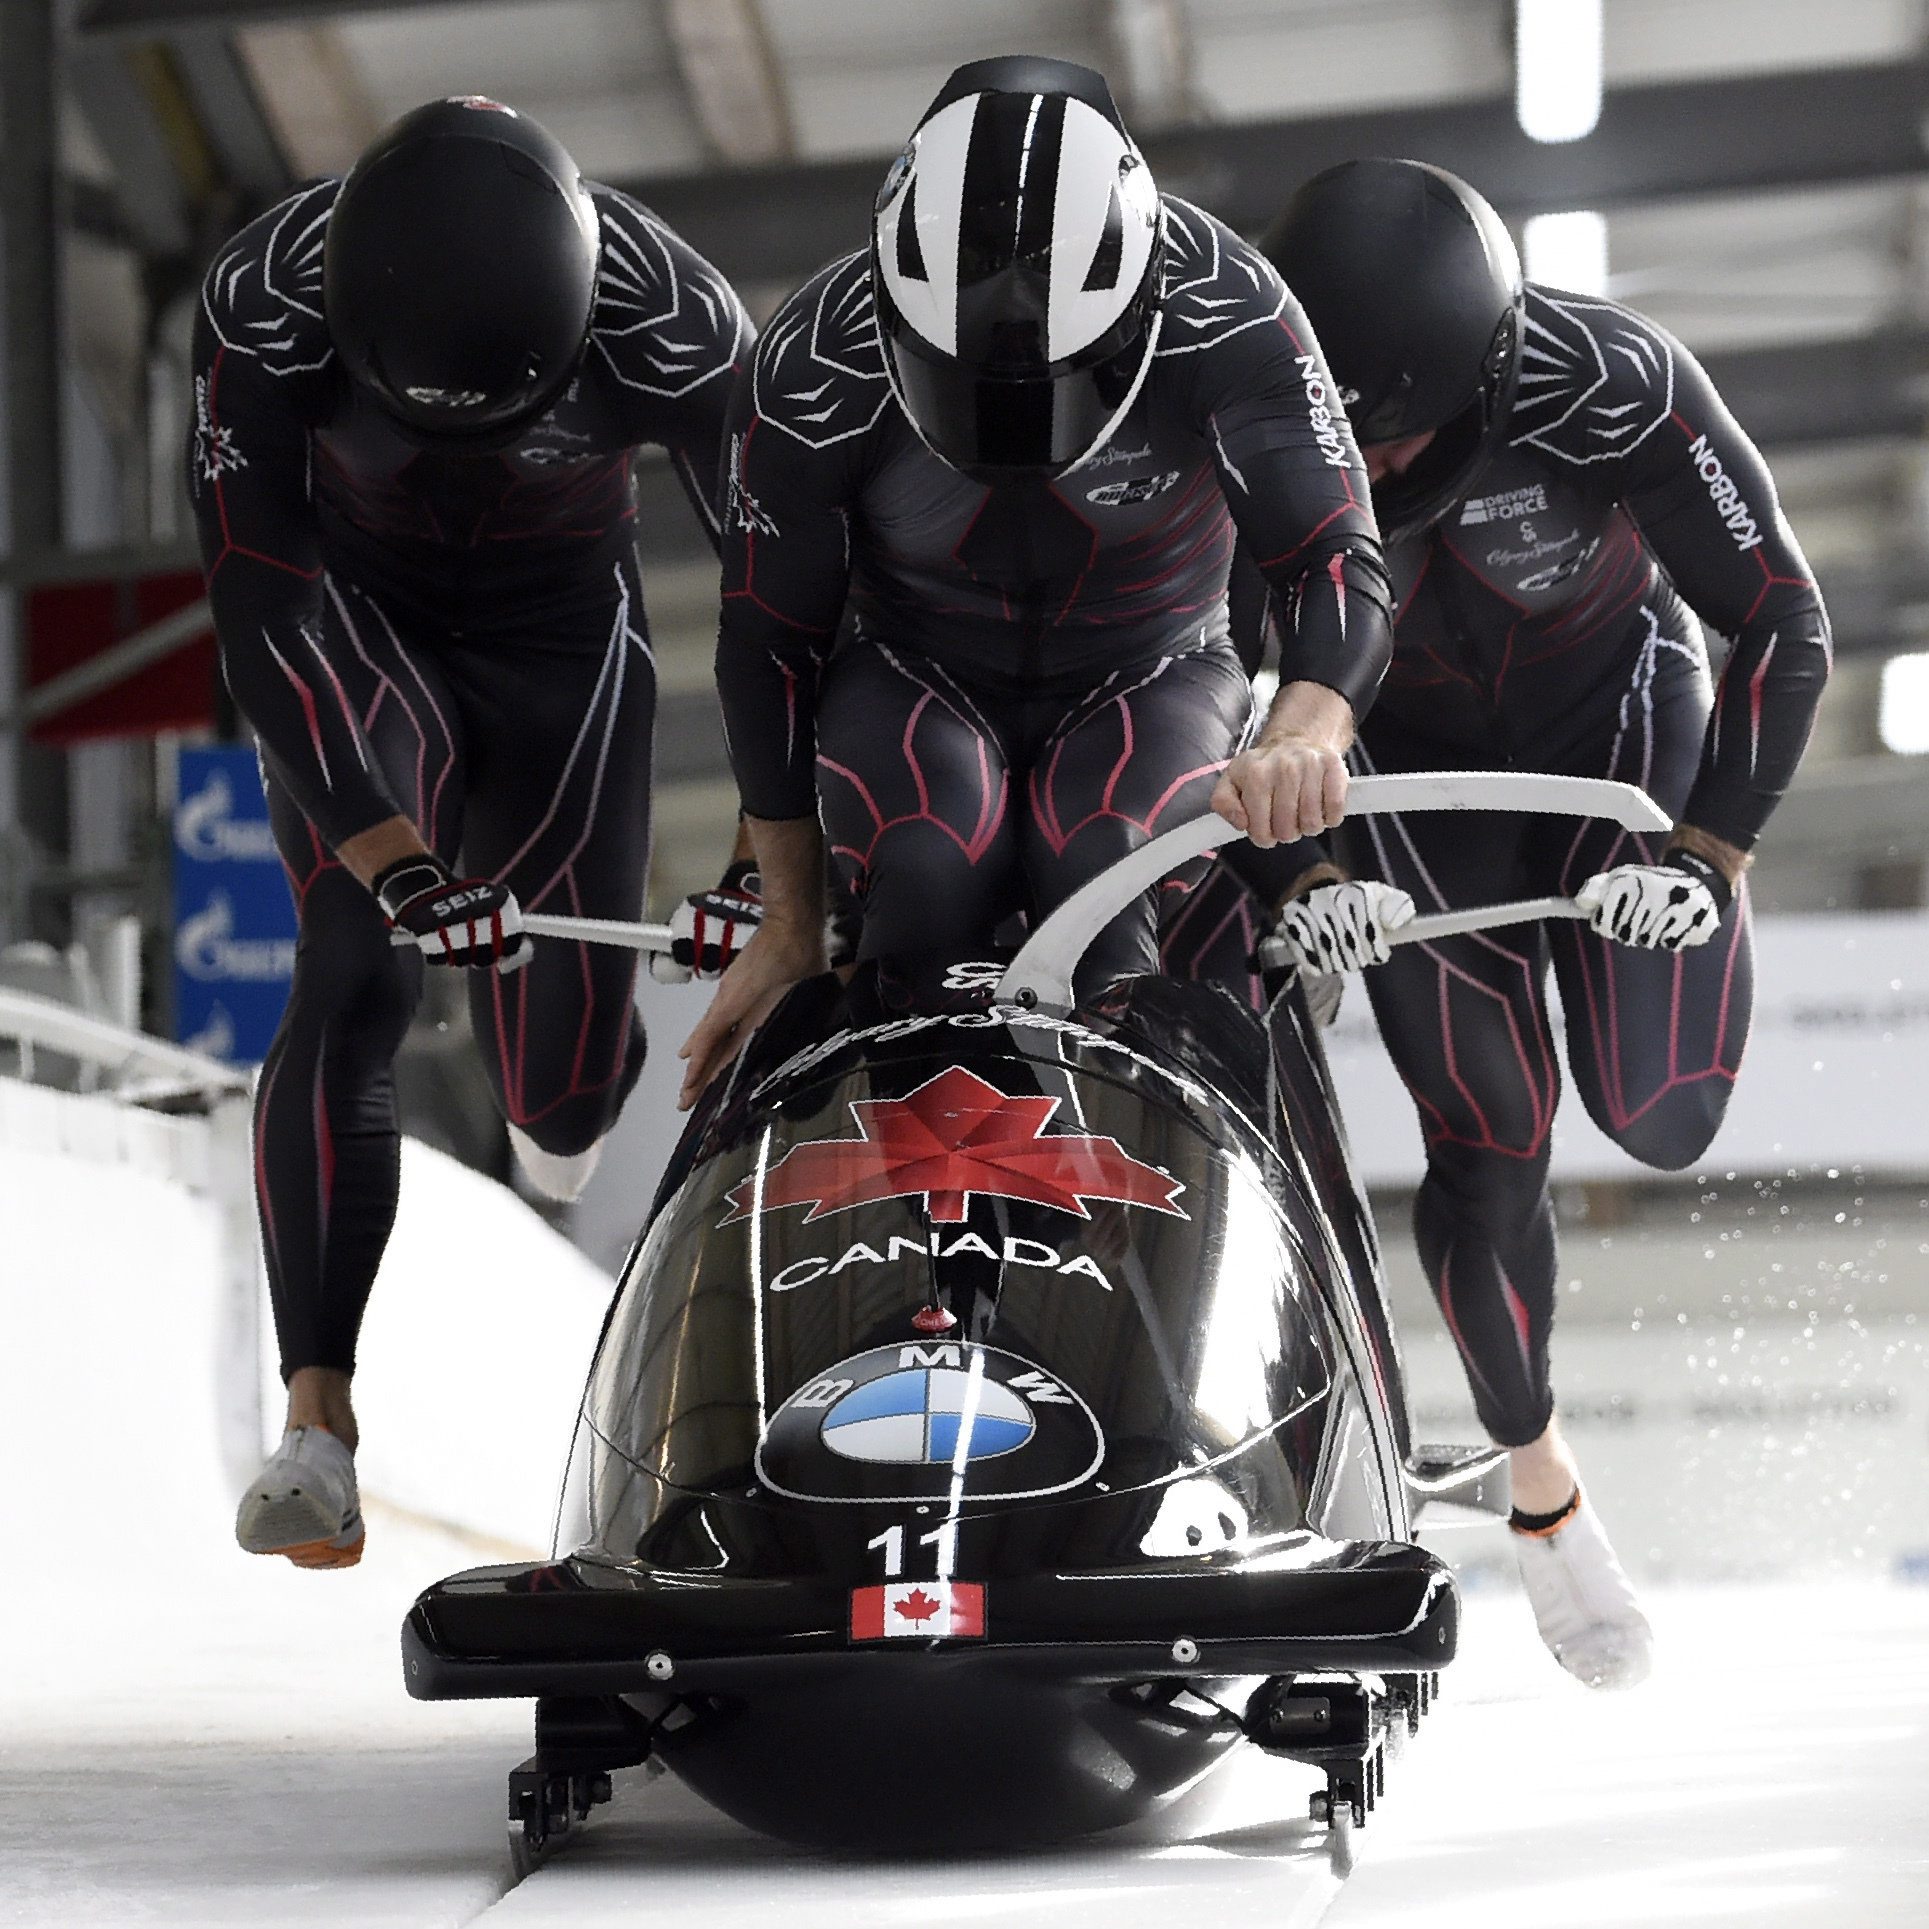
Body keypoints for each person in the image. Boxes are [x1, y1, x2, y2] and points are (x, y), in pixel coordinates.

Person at [1195, 159, 1831, 1687]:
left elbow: (1780, 619)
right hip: (1414, 790)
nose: (1377, 465)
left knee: (1661, 1112)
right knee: (1486, 1139)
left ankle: (1535, 1473)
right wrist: (1302, 879)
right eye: (1354, 435)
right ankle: (1541, 1495)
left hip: (1621, 745)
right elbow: (1191, 687)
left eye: (1399, 435)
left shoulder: (1607, 380)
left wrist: (1706, 851)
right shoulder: (1244, 421)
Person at [191, 97, 752, 1568]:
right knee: (349, 967)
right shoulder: (261, 305)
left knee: (562, 1103)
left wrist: (773, 859)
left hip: (562, 650)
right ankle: (318, 1422)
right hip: (359, 627)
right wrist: (390, 859)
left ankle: (558, 1100)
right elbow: (257, 601)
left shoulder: (671, 316)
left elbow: (783, 592)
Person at [678, 55, 1396, 1104]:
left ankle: (1113, 1170)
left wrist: (1303, 733)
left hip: (1155, 669)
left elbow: (1335, 557)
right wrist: (792, 920)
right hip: (917, 668)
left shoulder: (1234, 314)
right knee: (925, 868)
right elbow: (769, 643)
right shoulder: (811, 360)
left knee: (1100, 867)